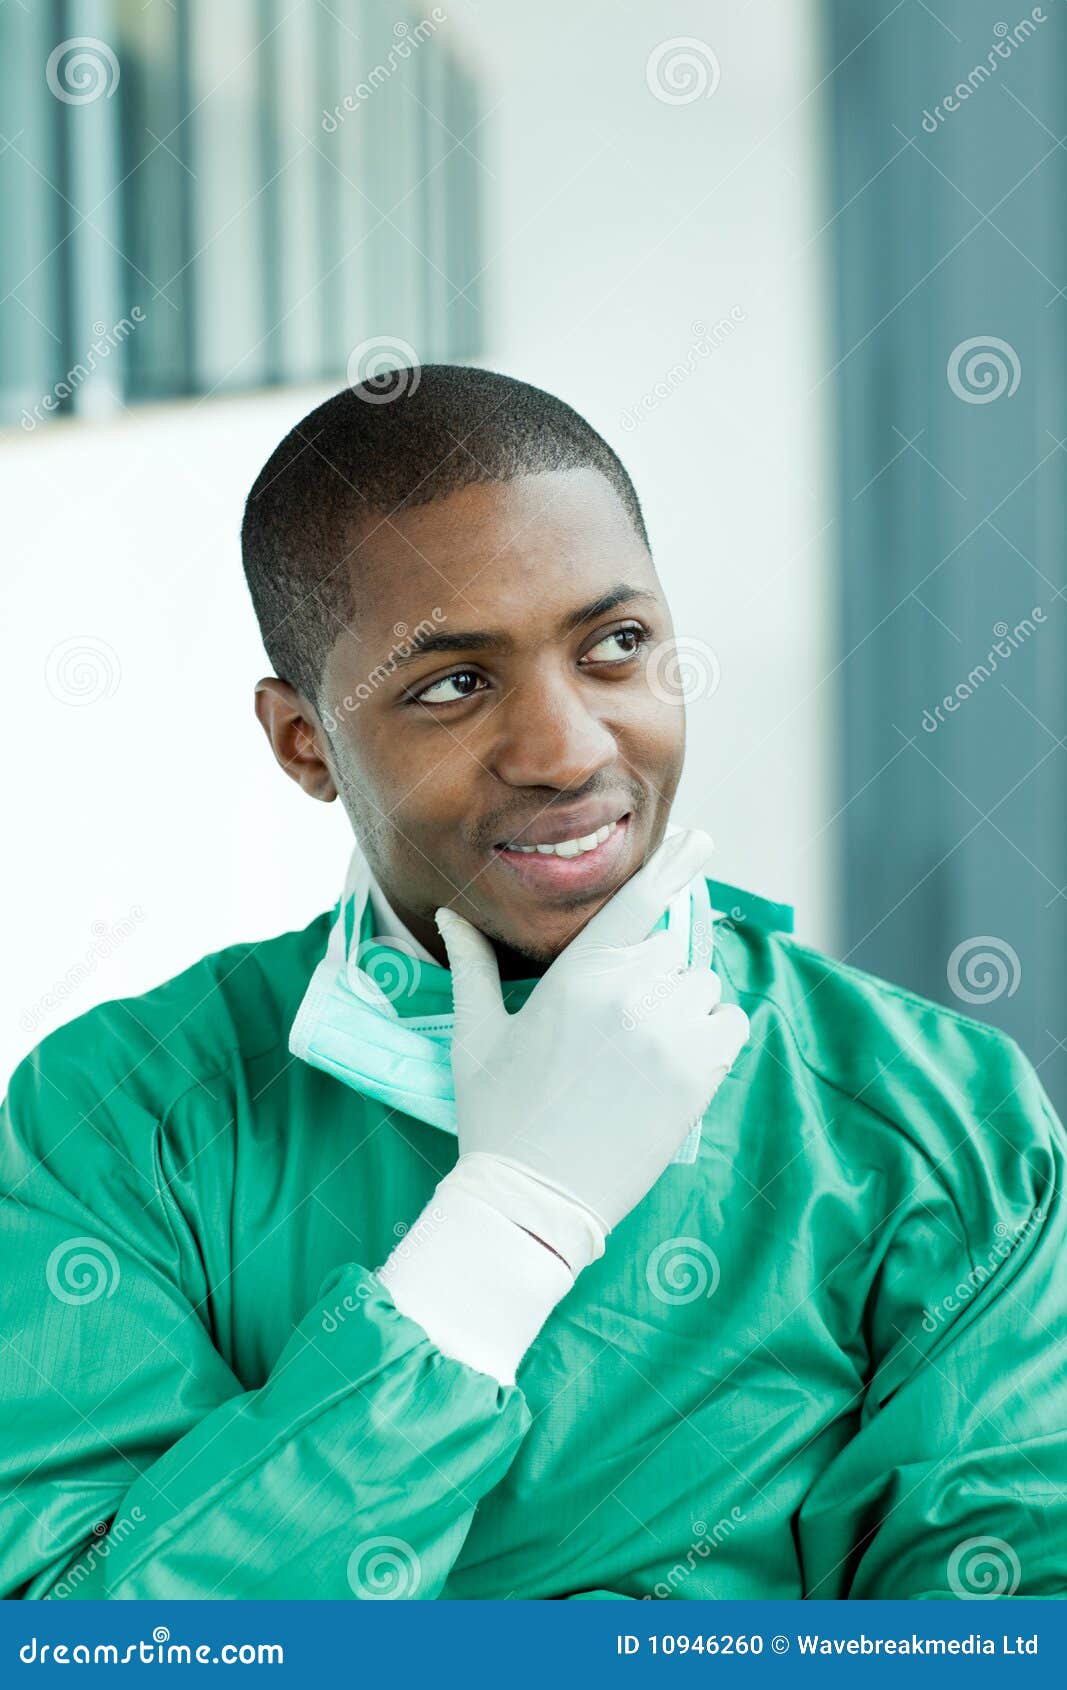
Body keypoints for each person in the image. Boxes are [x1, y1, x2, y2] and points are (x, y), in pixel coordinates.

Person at [1, 367, 1064, 1602]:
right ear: (306, 743)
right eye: (453, 683)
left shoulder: (936, 1120)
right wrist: (498, 1236)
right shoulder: (121, 1121)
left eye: (615, 646)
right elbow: (84, 1651)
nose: (567, 750)